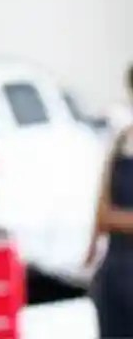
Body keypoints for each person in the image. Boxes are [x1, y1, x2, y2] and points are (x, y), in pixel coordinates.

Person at [86, 63, 133, 337]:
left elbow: (108, 216)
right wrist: (92, 249)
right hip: (115, 271)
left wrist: (113, 218)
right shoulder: (122, 140)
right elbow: (102, 204)